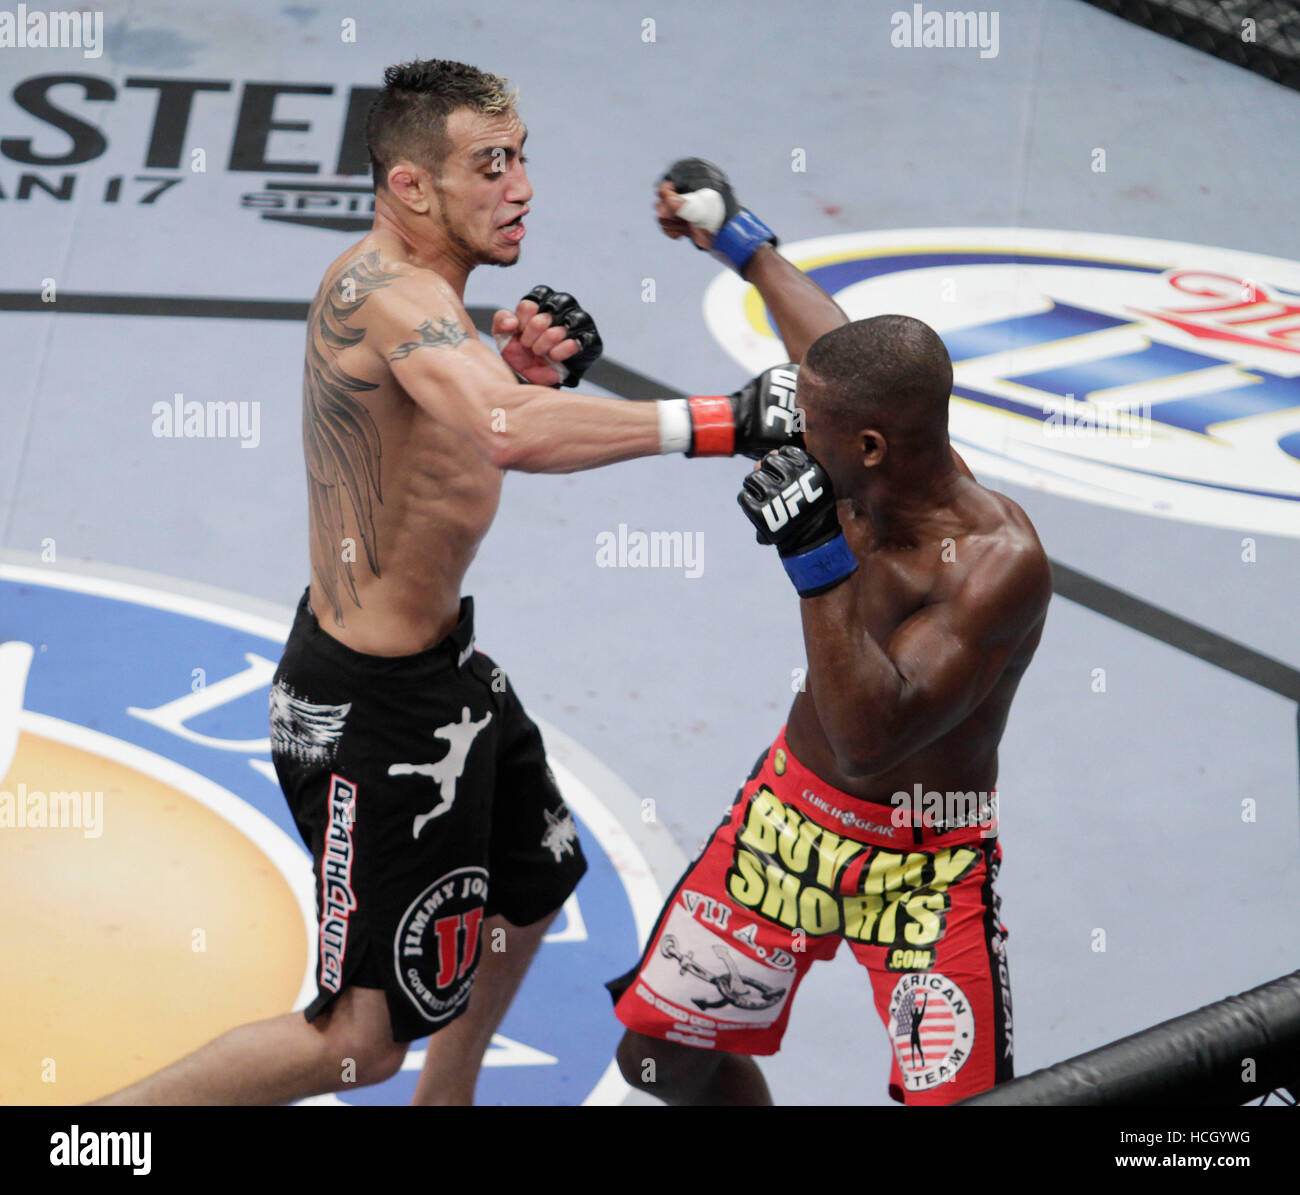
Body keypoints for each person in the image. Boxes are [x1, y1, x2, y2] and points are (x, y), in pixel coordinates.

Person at [91, 64, 801, 1107]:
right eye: (490, 164)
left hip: (444, 669)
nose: (520, 187)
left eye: (521, 158)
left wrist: (518, 374)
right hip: (368, 709)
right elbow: (502, 434)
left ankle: (447, 1104)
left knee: (533, 878)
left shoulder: (431, 302)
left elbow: (456, 438)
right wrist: (723, 421)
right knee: (359, 1040)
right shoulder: (381, 295)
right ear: (414, 187)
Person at [609, 159, 1052, 1105]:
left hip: (925, 858)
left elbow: (870, 737)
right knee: (656, 1056)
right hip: (790, 821)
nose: (786, 433)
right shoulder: (864, 454)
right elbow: (828, 341)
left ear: (871, 446)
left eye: (806, 425)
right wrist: (739, 239)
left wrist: (816, 561)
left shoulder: (996, 563)